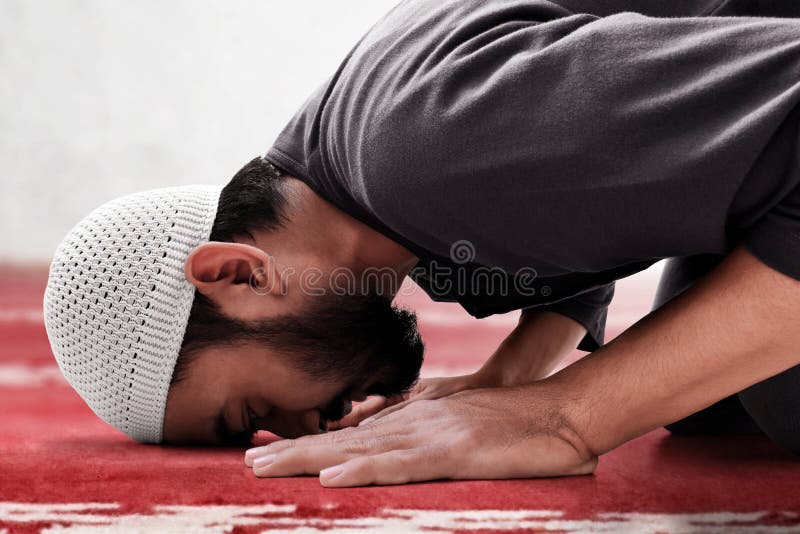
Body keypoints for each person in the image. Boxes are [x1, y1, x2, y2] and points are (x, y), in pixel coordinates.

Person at [44, 0, 800, 486]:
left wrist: (566, 416)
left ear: (236, 273)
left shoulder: (433, 153)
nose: (309, 426)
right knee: (716, 405)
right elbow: (583, 197)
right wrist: (516, 377)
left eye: (251, 408)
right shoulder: (367, 189)